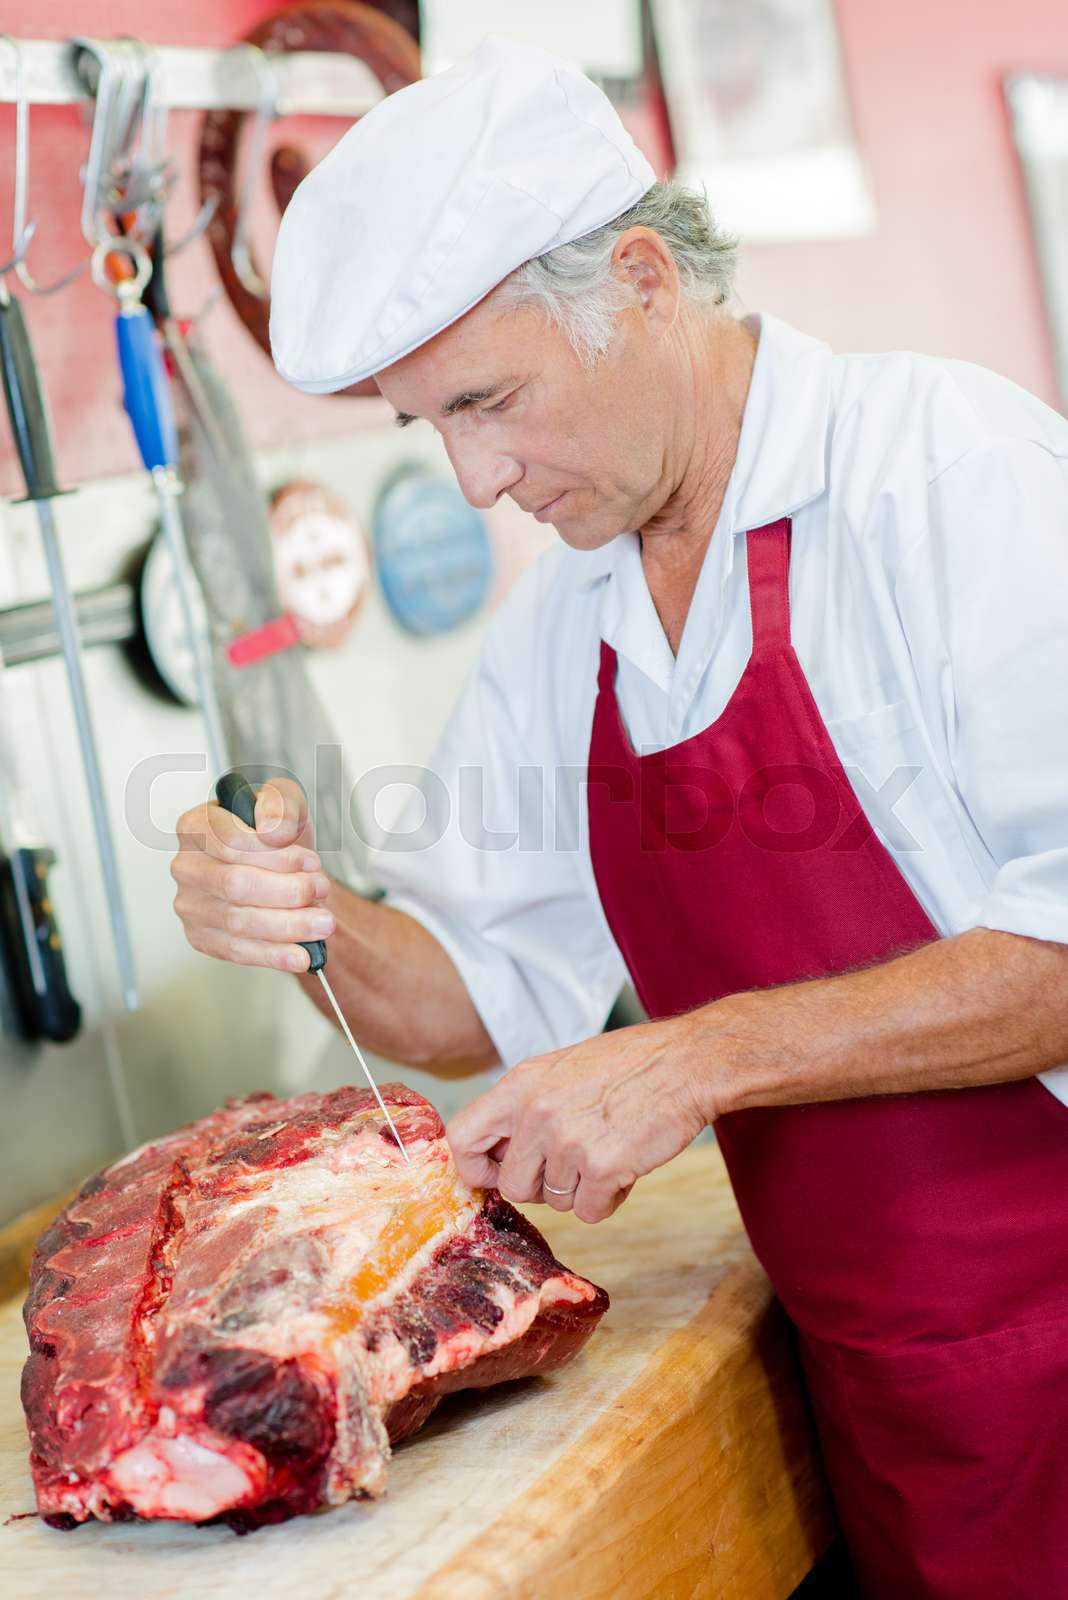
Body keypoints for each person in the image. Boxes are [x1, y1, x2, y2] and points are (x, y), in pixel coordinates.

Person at [170, 37, 1068, 1598]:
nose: (473, 477)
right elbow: (477, 988)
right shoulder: (560, 625)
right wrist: (300, 914)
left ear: (644, 280)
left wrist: (695, 1055)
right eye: (422, 428)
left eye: (490, 399)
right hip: (888, 1386)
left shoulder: (948, 476)